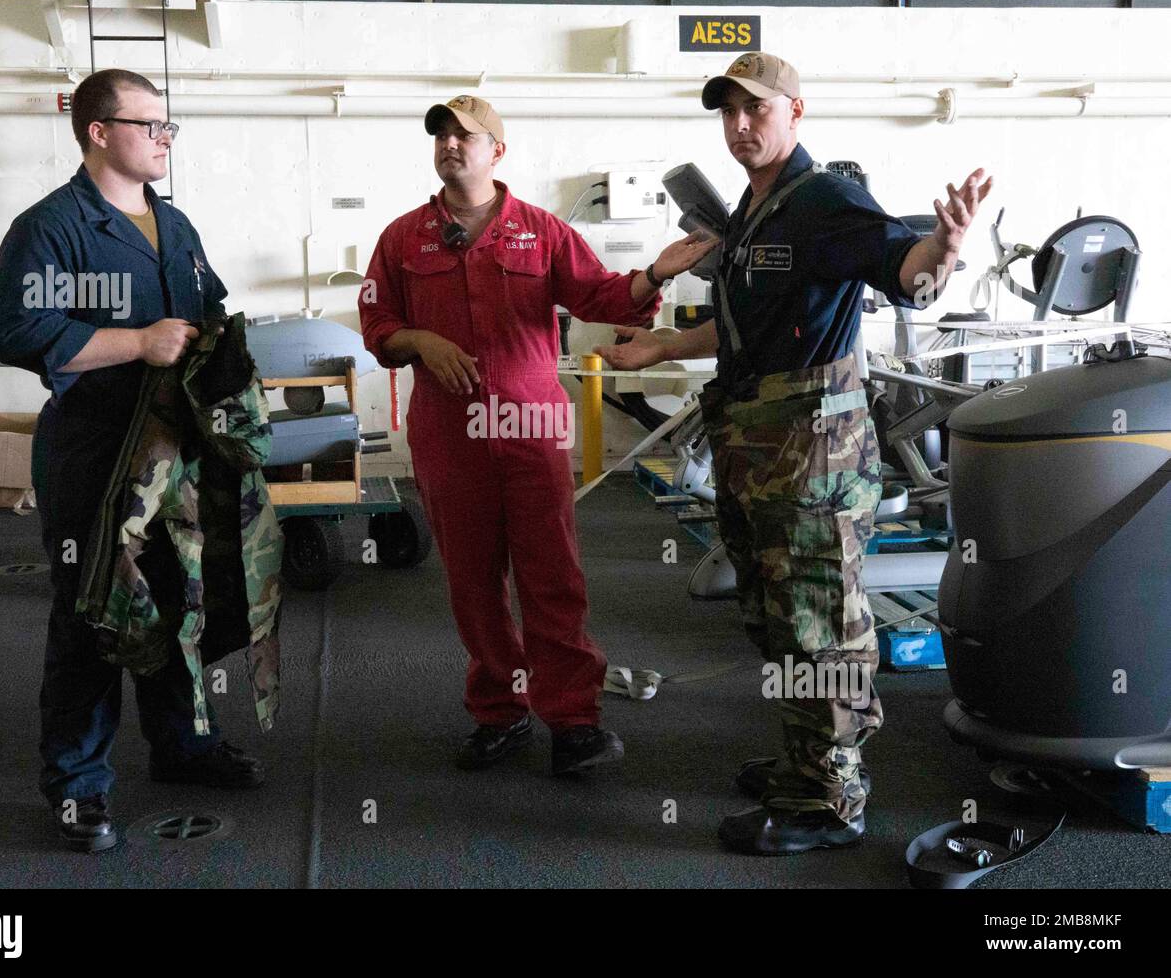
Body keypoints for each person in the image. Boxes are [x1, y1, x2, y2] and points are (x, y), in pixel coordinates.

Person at [597, 52, 992, 853]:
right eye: (728, 111)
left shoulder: (825, 201)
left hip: (809, 458)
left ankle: (827, 801)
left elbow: (905, 274)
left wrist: (943, 248)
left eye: (756, 110)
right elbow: (748, 323)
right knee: (781, 620)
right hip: (758, 449)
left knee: (817, 625)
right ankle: (813, 752)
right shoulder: (752, 208)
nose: (740, 126)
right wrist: (669, 341)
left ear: (795, 111)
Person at [359, 95, 717, 776]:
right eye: (441, 135)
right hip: (449, 435)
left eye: (466, 136)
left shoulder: (543, 231)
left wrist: (659, 272)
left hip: (529, 429)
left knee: (551, 576)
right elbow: (378, 327)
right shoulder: (403, 238)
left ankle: (574, 721)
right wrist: (420, 340)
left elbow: (604, 297)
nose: (450, 145)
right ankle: (500, 711)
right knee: (473, 583)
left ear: (497, 149)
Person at [0, 68, 264, 854]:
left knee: (178, 602)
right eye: (150, 125)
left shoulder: (172, 226)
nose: (163, 138)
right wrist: (140, 343)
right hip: (94, 452)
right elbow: (21, 331)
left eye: (167, 126)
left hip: (174, 451)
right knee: (92, 613)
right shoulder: (51, 227)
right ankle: (78, 786)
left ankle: (182, 745)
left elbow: (207, 311)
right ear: (99, 132)